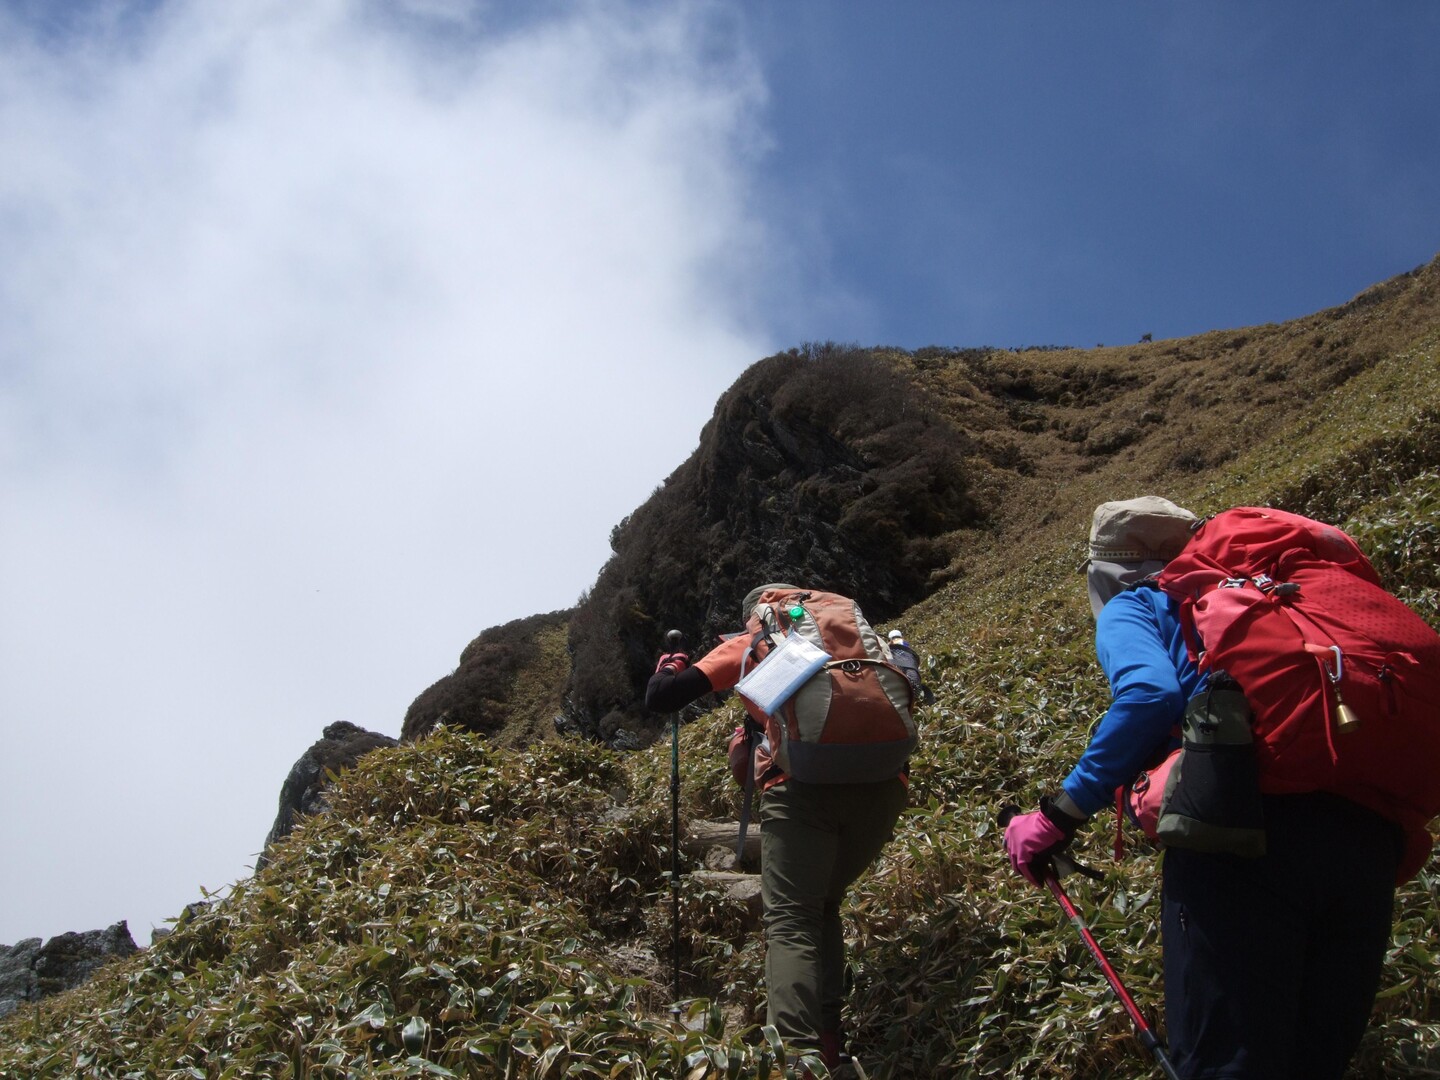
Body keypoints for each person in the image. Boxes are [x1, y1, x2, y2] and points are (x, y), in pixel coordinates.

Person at [1002, 496, 1402, 1080]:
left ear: (1109, 569)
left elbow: (1149, 696)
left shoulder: (1141, 603)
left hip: (1241, 837)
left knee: (1228, 1064)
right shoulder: (1279, 593)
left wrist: (1056, 817)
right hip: (1368, 830)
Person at [646, 583, 910, 1073]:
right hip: (885, 786)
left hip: (805, 791)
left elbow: (662, 698)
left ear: (756, 615)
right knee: (823, 906)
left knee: (791, 921)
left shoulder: (752, 641)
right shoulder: (853, 636)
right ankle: (830, 1045)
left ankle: (797, 1059)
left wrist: (671, 664)